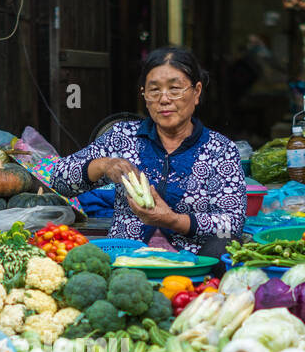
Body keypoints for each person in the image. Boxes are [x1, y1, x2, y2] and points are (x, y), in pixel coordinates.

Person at [48, 47, 246, 257]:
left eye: (175, 89)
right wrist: (103, 165)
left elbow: (232, 223)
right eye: (154, 90)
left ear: (196, 92)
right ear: (144, 95)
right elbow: (57, 179)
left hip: (191, 262)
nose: (164, 99)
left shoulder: (220, 150)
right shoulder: (123, 137)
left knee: (224, 245)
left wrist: (173, 220)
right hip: (125, 258)